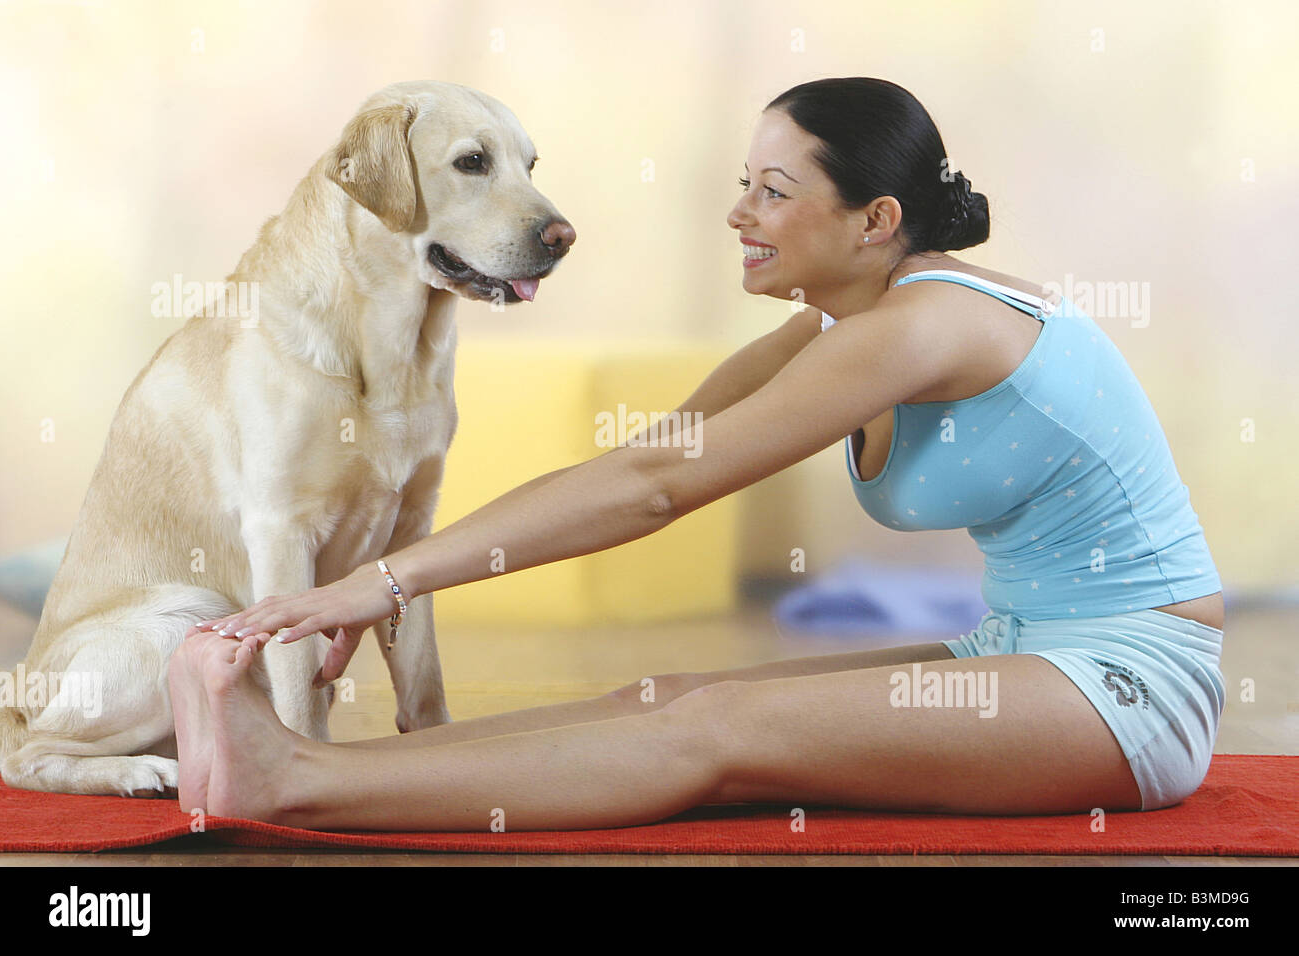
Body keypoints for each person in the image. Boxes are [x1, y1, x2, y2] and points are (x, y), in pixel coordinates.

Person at [174, 77, 1226, 831]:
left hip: (1130, 685)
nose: (738, 213)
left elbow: (651, 492)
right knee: (661, 695)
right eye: (743, 183)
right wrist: (380, 584)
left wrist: (378, 581)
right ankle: (318, 761)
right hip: (1017, 648)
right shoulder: (835, 323)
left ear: (876, 219)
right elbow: (648, 459)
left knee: (715, 730)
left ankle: (288, 786)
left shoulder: (926, 324)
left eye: (772, 190)